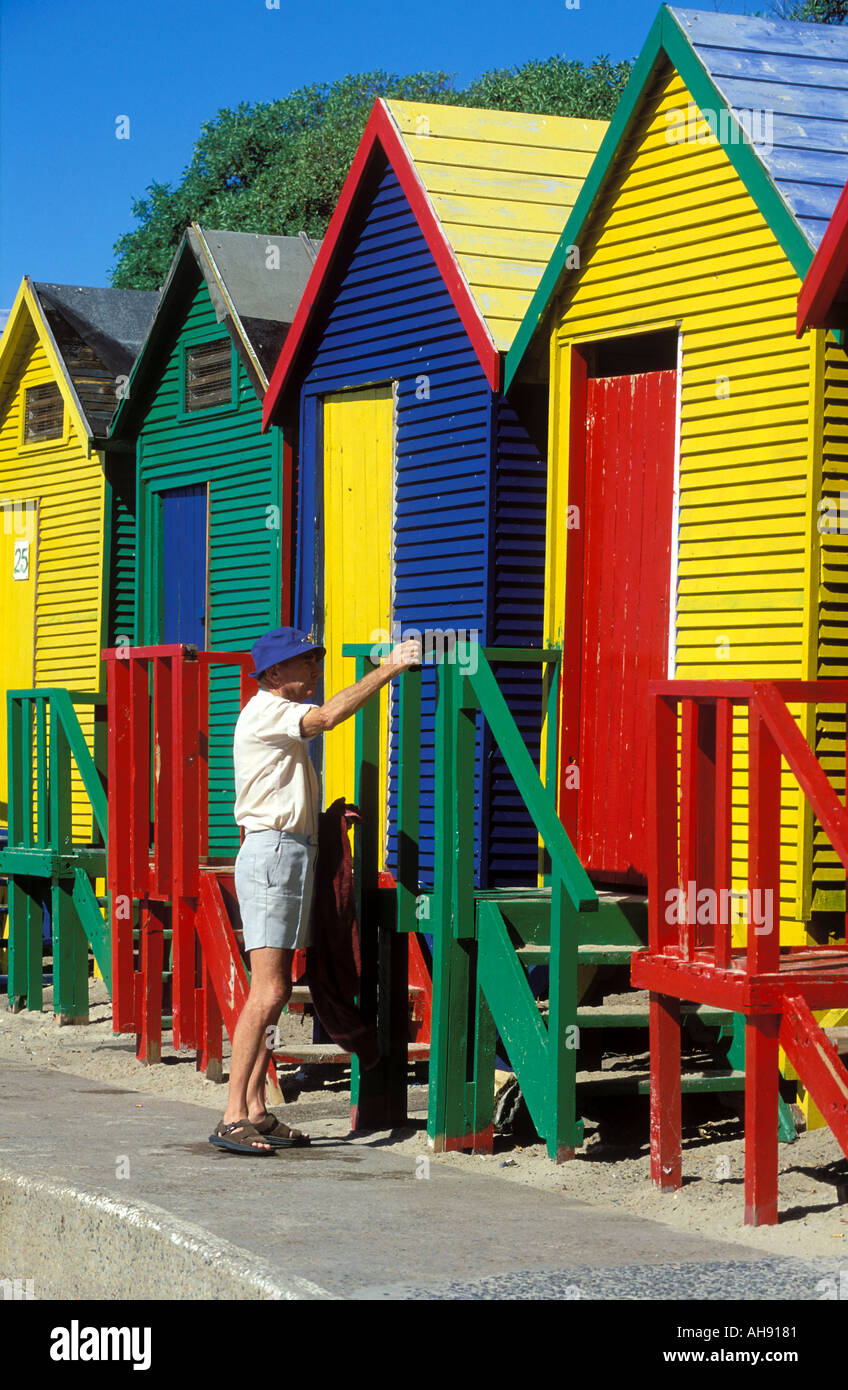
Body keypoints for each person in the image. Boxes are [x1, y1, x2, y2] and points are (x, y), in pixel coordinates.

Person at [209, 626, 421, 1154]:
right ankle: (232, 1114)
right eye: (305, 662)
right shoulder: (266, 710)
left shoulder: (273, 713)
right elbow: (326, 718)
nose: (315, 669)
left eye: (315, 660)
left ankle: (256, 1108)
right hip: (273, 853)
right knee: (270, 989)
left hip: (290, 852)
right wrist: (390, 668)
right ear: (274, 674)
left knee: (277, 989)